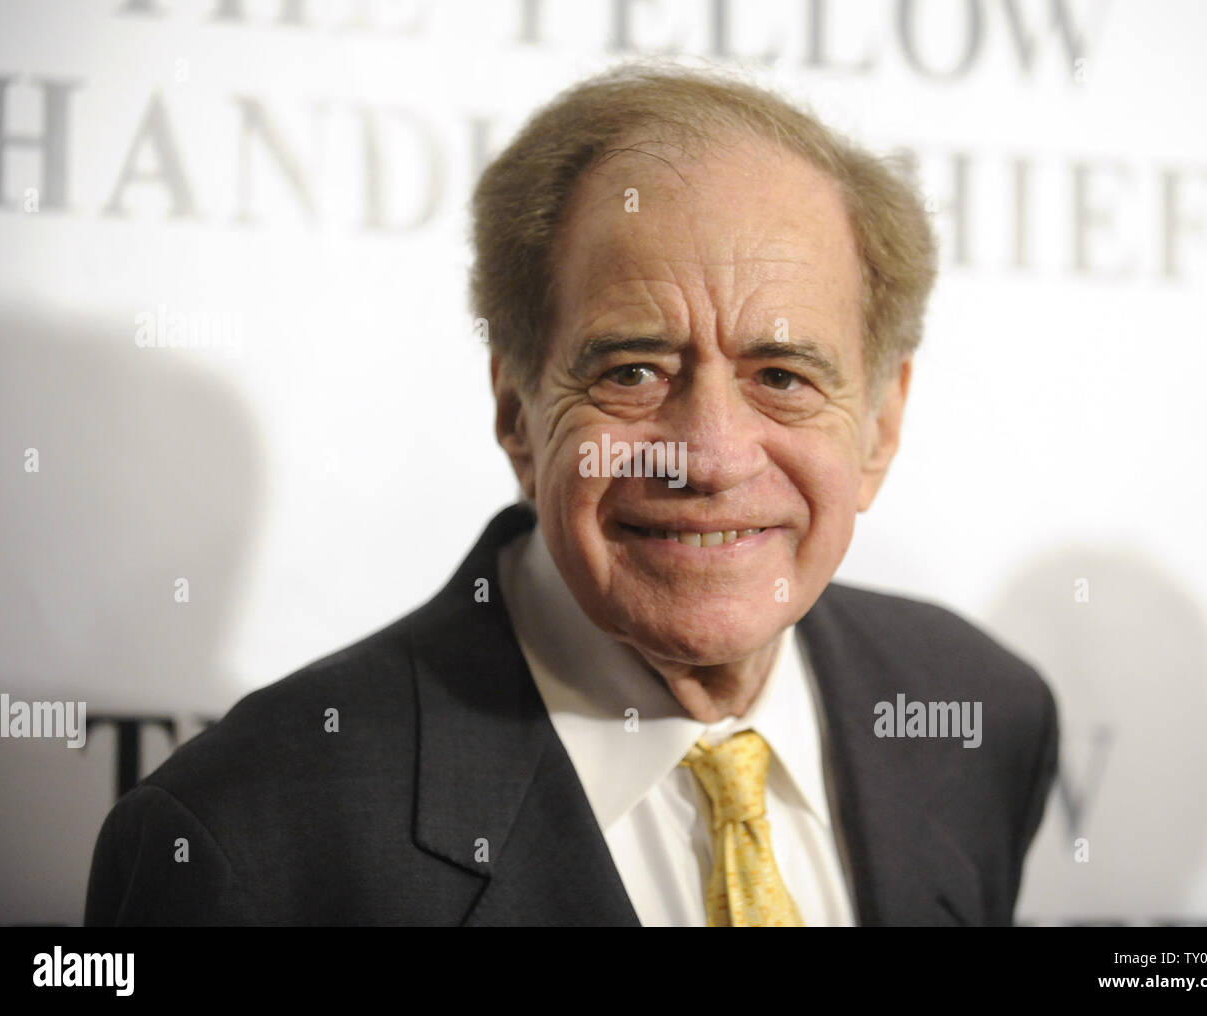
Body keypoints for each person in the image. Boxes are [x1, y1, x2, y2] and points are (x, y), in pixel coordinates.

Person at [84, 64, 1058, 927]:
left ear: (880, 424)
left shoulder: (976, 710)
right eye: (633, 371)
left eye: (782, 374)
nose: (710, 456)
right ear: (517, 407)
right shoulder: (245, 839)